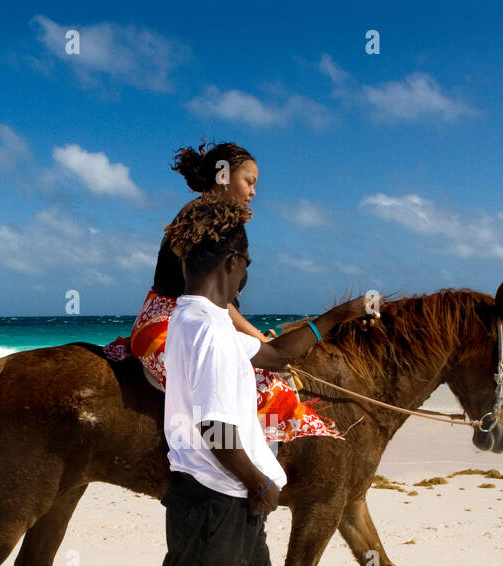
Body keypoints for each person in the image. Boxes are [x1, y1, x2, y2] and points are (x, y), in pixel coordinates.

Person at [77, 195, 378, 566]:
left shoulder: (197, 318)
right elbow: (216, 430)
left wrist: (335, 317)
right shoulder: (210, 331)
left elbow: (271, 354)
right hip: (216, 503)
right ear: (232, 263)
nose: (248, 276)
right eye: (248, 266)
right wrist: (263, 485)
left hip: (236, 503)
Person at [103, 140, 339, 441]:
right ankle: (220, 467)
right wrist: (256, 336)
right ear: (224, 177)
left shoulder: (205, 215)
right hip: (172, 327)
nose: (253, 192)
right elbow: (213, 299)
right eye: (249, 182)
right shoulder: (205, 219)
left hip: (183, 321)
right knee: (238, 390)